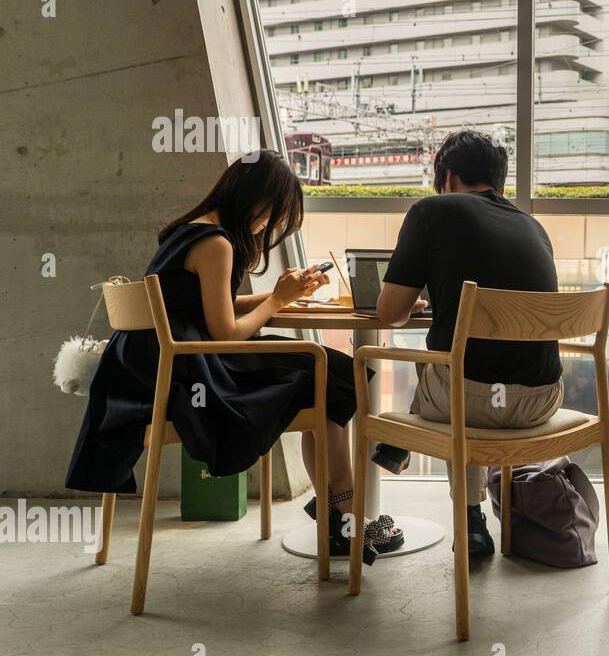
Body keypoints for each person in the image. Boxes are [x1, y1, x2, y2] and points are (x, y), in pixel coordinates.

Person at [66, 151, 400, 562]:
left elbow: (212, 308)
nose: (268, 225)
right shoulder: (217, 243)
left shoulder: (191, 230)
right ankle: (346, 515)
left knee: (330, 372)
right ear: (255, 199)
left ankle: (339, 515)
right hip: (195, 372)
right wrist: (276, 301)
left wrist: (282, 295)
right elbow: (225, 334)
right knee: (333, 372)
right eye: (272, 215)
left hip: (155, 367)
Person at [374, 130, 564, 557]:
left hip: (468, 400)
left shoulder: (430, 211)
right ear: (499, 179)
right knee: (459, 368)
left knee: (449, 370)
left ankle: (470, 517)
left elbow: (389, 313)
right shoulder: (535, 227)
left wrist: (420, 302)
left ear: (450, 176)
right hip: (541, 399)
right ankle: (410, 443)